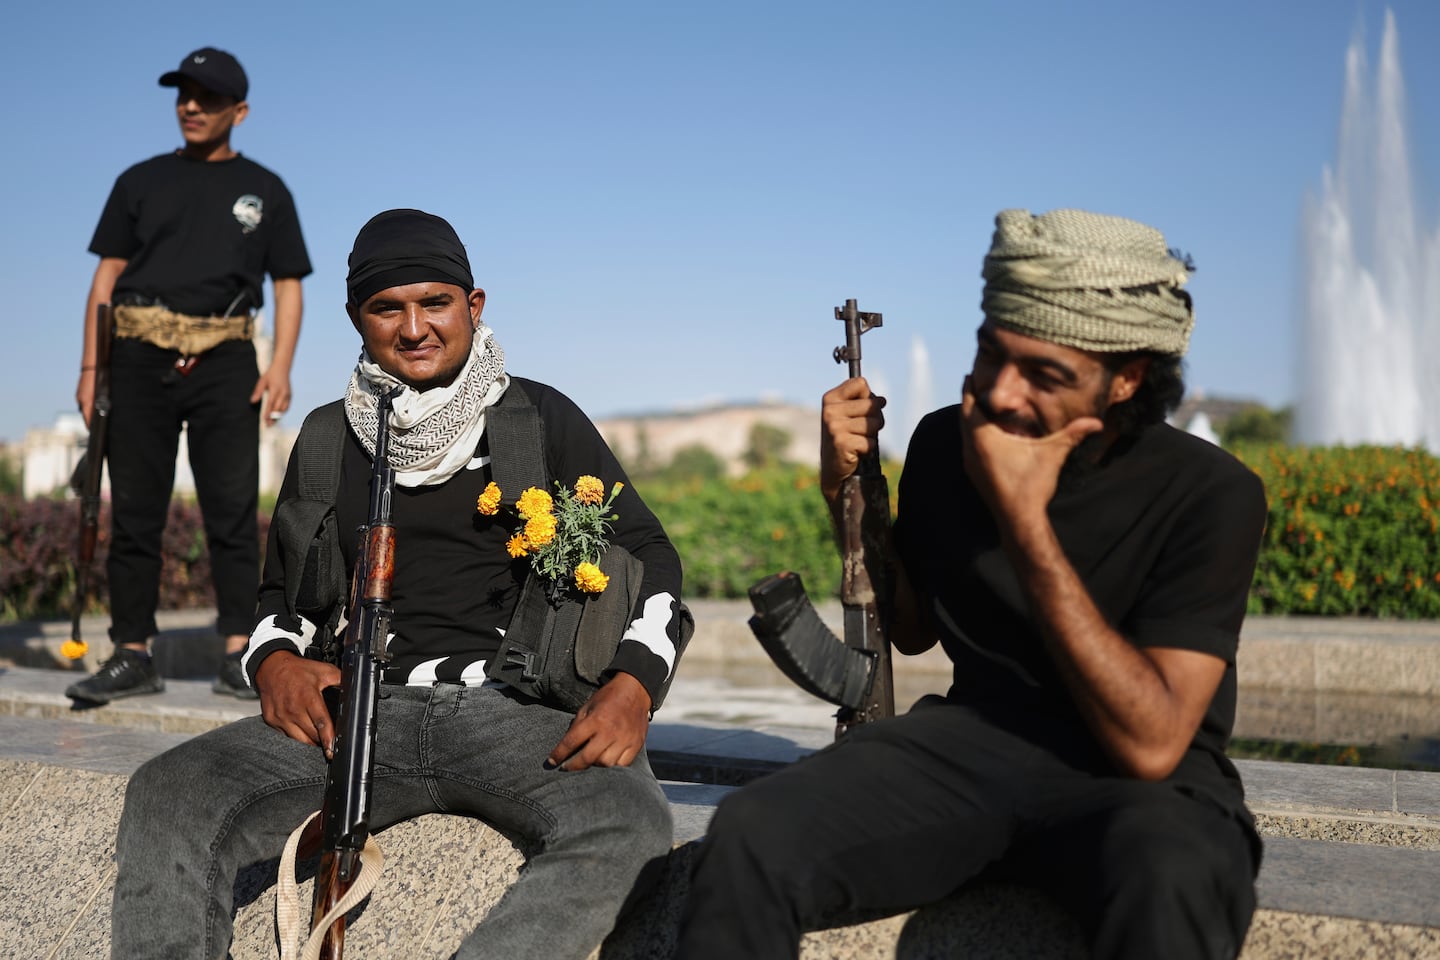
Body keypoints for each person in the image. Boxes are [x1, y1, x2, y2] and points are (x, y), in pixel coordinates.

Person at [676, 209, 1267, 960]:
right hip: (972, 745)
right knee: (751, 835)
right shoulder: (941, 443)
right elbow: (914, 627)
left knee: (1175, 874)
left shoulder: (1212, 492)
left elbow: (1152, 743)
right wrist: (846, 496)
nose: (1004, 393)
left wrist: (1025, 520)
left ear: (1128, 380)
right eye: (994, 356)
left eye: (1047, 375)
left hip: (1141, 784)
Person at [110, 209, 688, 960]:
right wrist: (273, 664)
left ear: (473, 307)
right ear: (358, 319)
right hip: (358, 717)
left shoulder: (539, 418)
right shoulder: (326, 439)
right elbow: (278, 600)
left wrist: (635, 685)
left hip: (515, 713)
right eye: (388, 308)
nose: (414, 328)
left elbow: (652, 560)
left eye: (435, 304)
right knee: (167, 791)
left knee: (629, 823)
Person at [68, 47, 311, 704]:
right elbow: (108, 275)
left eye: (206, 97)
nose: (191, 106)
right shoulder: (139, 180)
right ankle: (132, 653)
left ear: (240, 110)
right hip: (137, 359)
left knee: (231, 512)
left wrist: (280, 364)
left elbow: (287, 284)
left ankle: (240, 653)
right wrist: (93, 367)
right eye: (183, 94)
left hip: (227, 360)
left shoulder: (267, 188)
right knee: (136, 513)